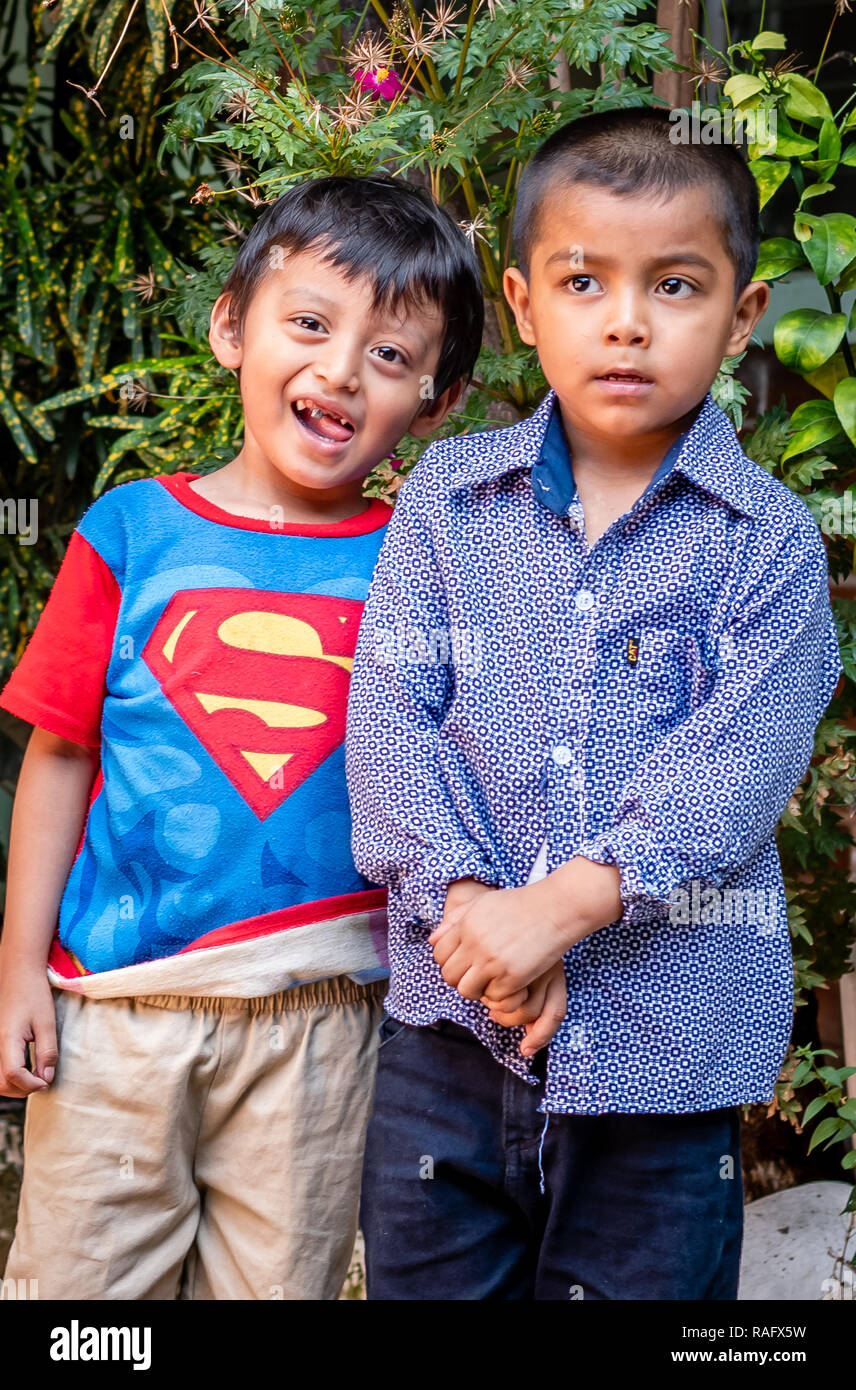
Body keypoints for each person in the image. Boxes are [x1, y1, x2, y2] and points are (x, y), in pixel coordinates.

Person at [346, 108, 842, 1301]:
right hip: (448, 1037)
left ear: (741, 315)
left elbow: (734, 773)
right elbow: (389, 715)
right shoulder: (449, 505)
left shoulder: (765, 544)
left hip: (662, 1058)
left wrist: (564, 909)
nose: (625, 319)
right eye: (584, 281)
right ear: (523, 303)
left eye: (674, 285)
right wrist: (479, 919)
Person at [0, 174, 483, 1300]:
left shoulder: (423, 562)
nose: (339, 371)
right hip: (117, 1010)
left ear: (439, 398)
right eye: (309, 323)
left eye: (391, 355)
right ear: (232, 325)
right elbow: (61, 751)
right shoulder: (130, 530)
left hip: (322, 1014)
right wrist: (19, 965)